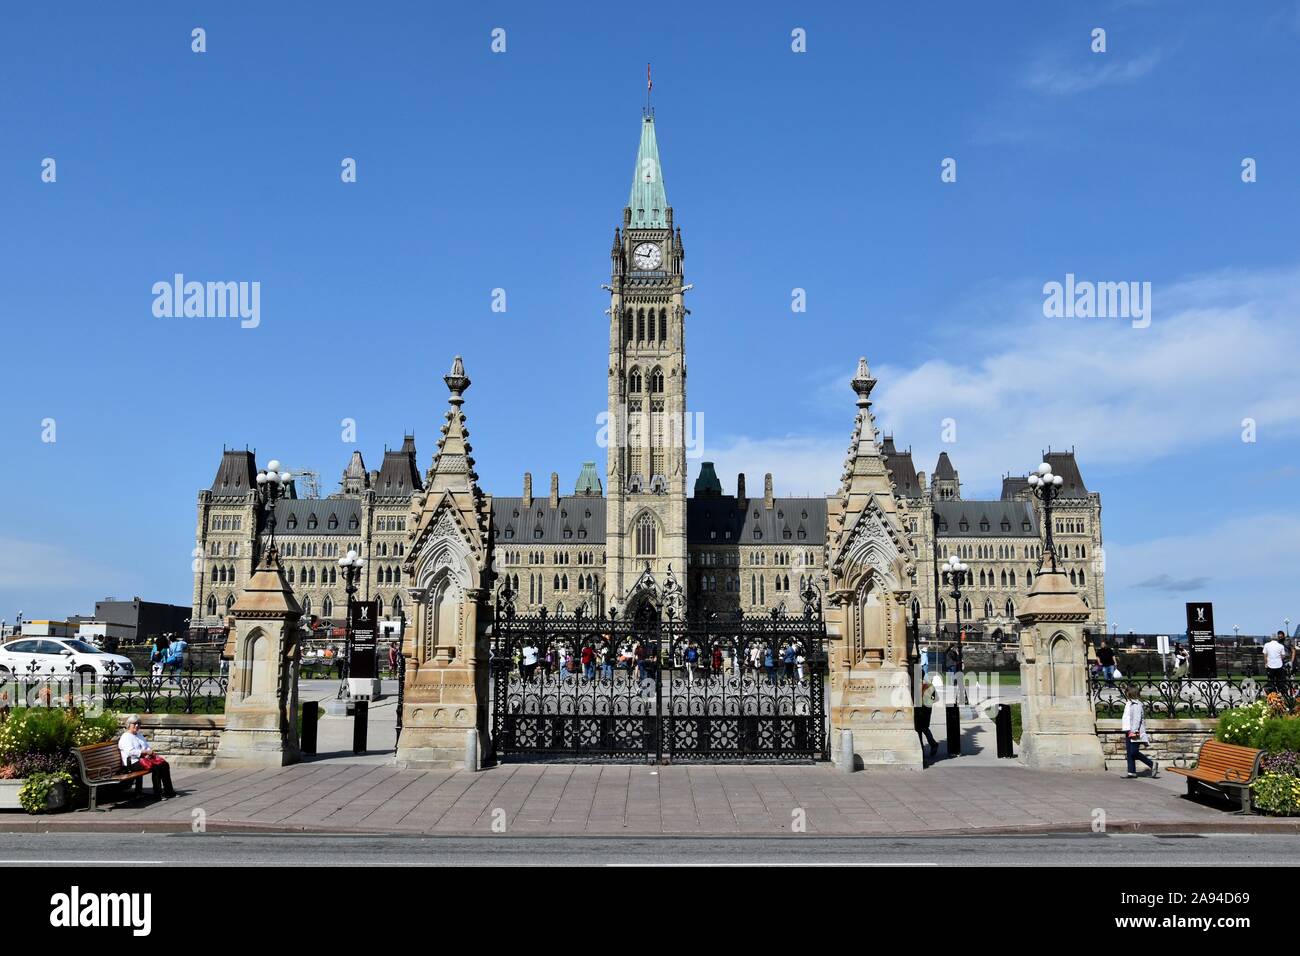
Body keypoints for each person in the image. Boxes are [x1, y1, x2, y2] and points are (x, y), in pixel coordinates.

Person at [118, 715, 176, 799]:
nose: (137, 725)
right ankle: (158, 794)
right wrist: (144, 752)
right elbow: (130, 752)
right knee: (156, 767)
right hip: (132, 763)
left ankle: (169, 791)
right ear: (129, 724)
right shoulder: (126, 737)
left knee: (164, 764)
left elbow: (146, 746)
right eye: (134, 724)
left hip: (142, 760)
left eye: (138, 723)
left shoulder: (139, 735)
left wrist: (149, 752)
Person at [1121, 687, 1158, 779]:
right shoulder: (1129, 703)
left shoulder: (1137, 704)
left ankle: (1152, 764)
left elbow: (1137, 720)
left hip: (1135, 731)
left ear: (1131, 694)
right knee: (1130, 753)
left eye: (1127, 692)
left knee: (1134, 752)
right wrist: (1128, 730)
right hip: (1128, 730)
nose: (1126, 694)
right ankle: (1131, 772)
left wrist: (1134, 731)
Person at [914, 676, 938, 762]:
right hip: (922, 710)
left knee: (920, 728)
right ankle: (931, 745)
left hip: (923, 710)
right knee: (922, 728)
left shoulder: (919, 685)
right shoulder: (929, 685)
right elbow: (935, 698)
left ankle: (924, 749)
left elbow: (934, 698)